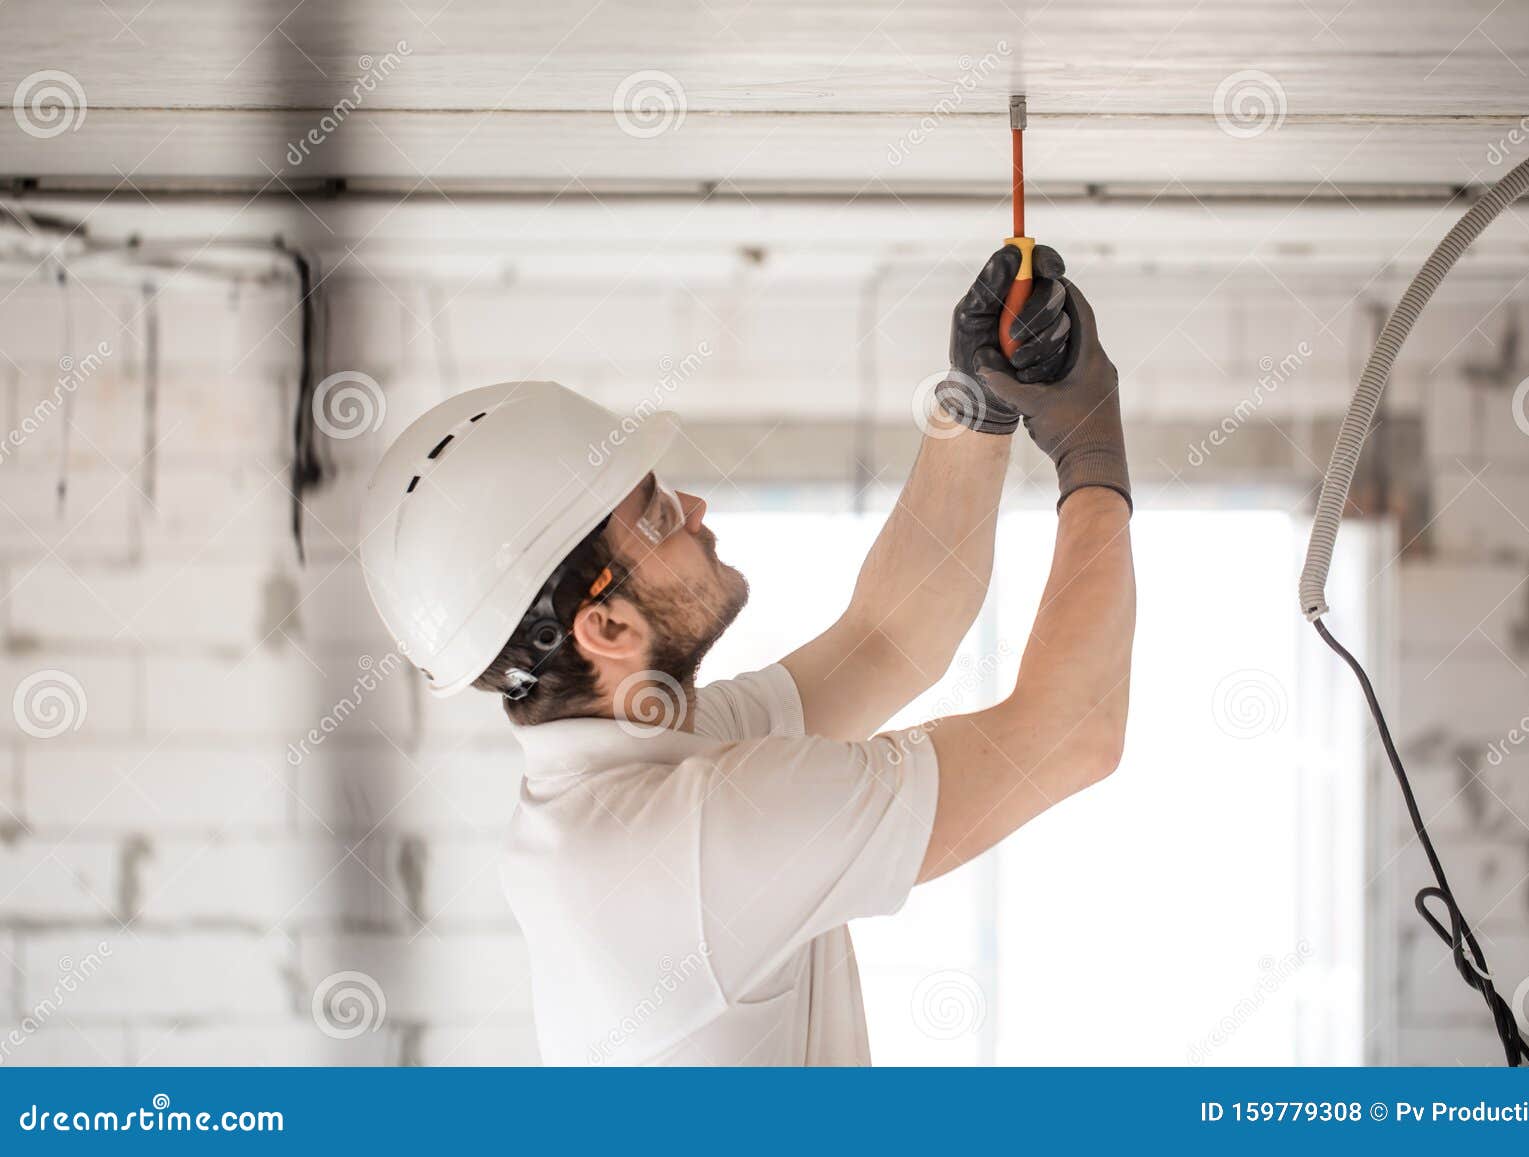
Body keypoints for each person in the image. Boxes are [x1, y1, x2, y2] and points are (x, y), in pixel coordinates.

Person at [358, 244, 1135, 1065]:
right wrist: (1094, 454)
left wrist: (977, 404)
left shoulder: (643, 770)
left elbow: (892, 637)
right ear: (607, 628)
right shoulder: (686, 841)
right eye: (654, 514)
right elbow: (1072, 732)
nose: (692, 506)